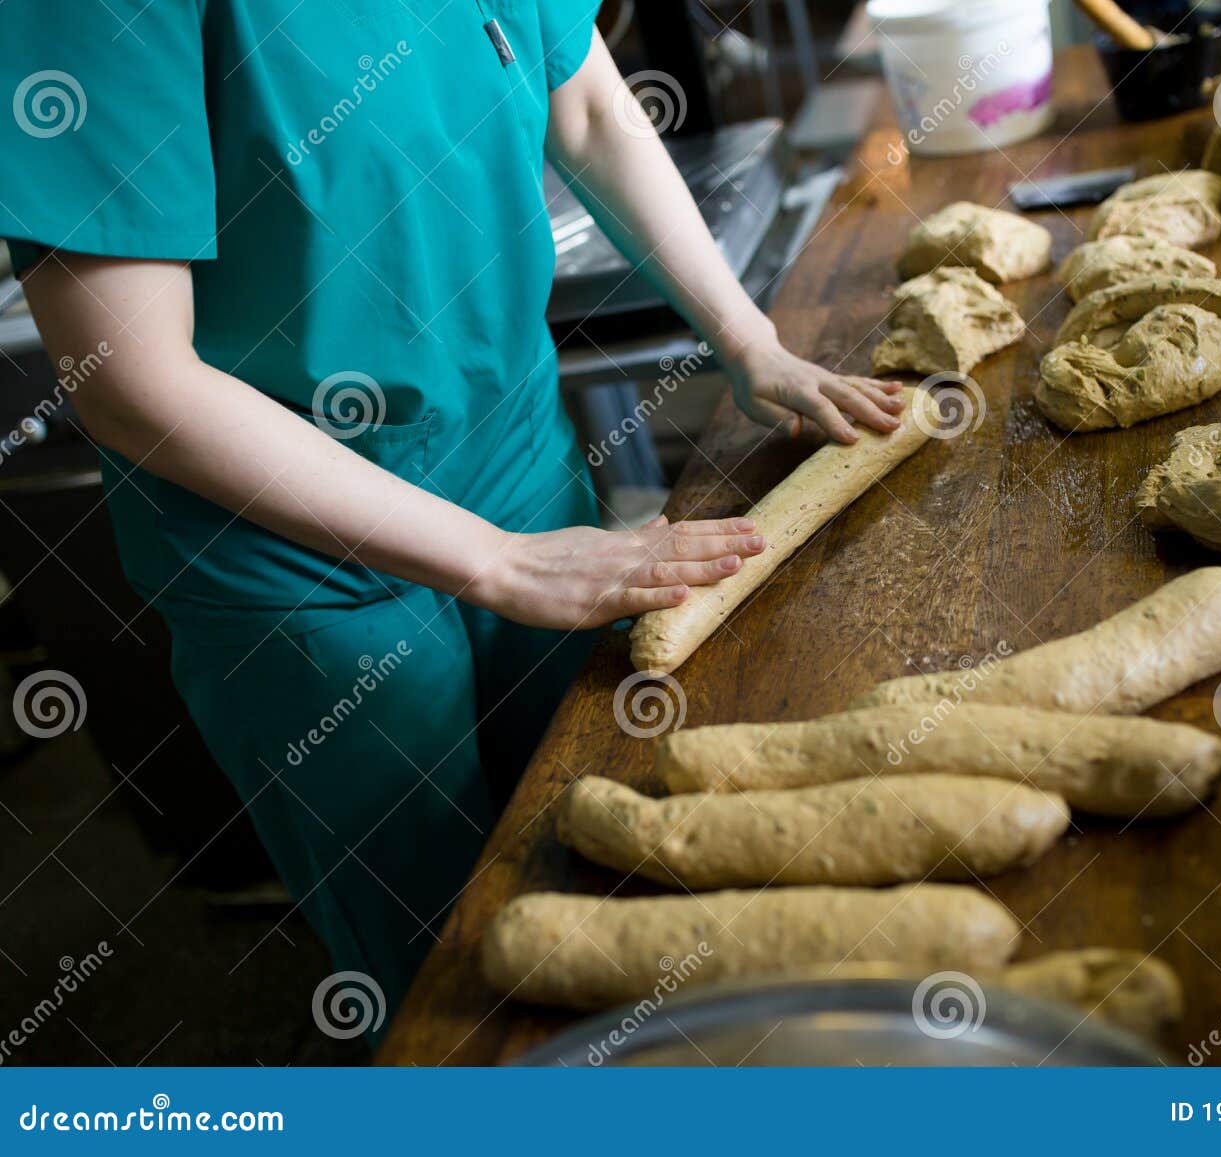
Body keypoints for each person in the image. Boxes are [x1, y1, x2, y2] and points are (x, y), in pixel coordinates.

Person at [1, 1, 903, 1012]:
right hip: (296, 555)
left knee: (609, 839)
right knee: (457, 967)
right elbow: (132, 383)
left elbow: (593, 108)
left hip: (512, 455)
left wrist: (748, 338)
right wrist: (494, 561)